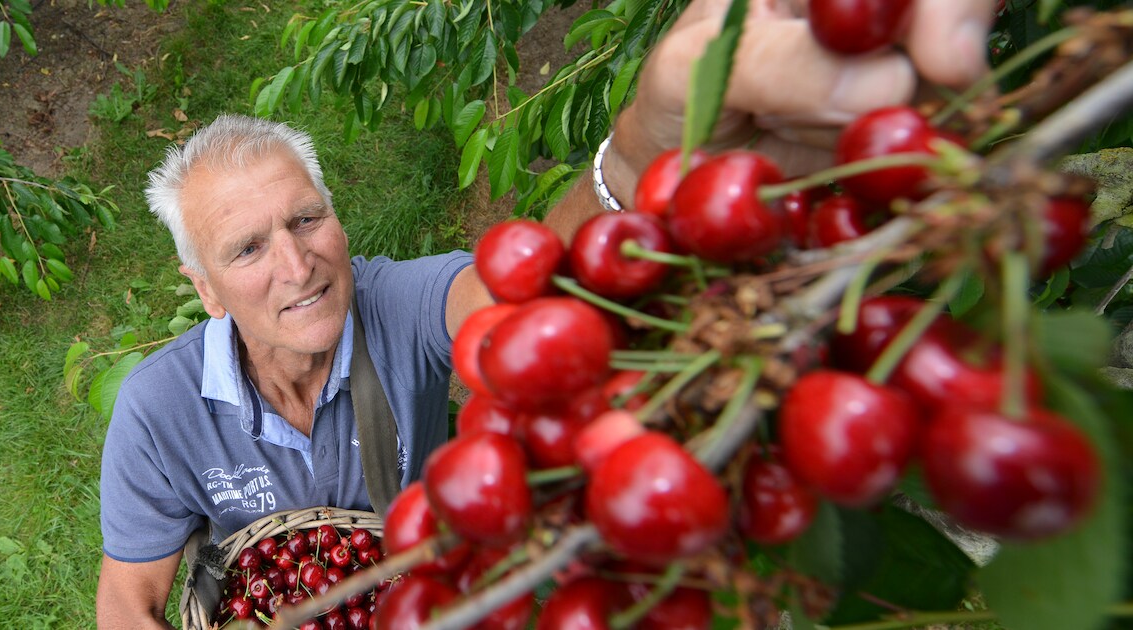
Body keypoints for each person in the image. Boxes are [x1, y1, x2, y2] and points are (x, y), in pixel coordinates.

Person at [95, 0, 996, 626]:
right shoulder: (157, 409)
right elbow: (128, 601)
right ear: (205, 288)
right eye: (247, 250)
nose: (298, 266)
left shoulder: (394, 302)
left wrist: (637, 156)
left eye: (306, 220)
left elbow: (519, 301)